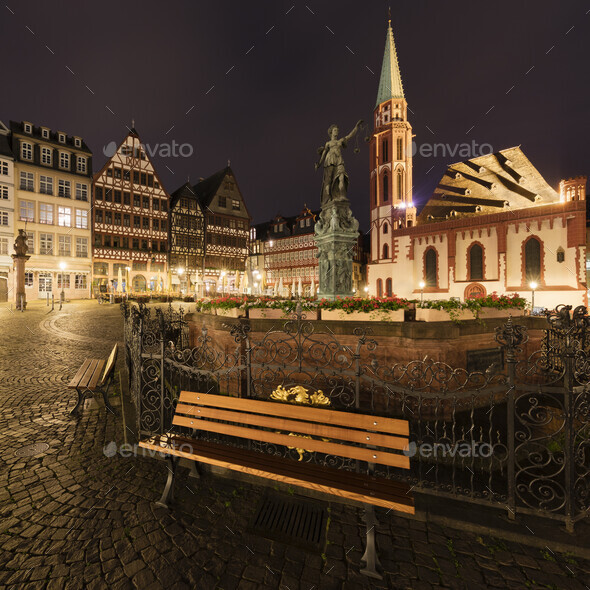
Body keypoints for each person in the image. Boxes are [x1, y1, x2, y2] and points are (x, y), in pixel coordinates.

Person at [315, 120, 363, 207]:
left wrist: (356, 127)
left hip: (339, 160)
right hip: (330, 160)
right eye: (335, 130)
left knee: (342, 177)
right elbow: (323, 154)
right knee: (328, 181)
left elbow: (350, 136)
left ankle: (342, 196)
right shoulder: (328, 143)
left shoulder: (340, 141)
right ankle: (328, 198)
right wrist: (319, 164)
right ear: (331, 132)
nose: (337, 131)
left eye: (337, 130)